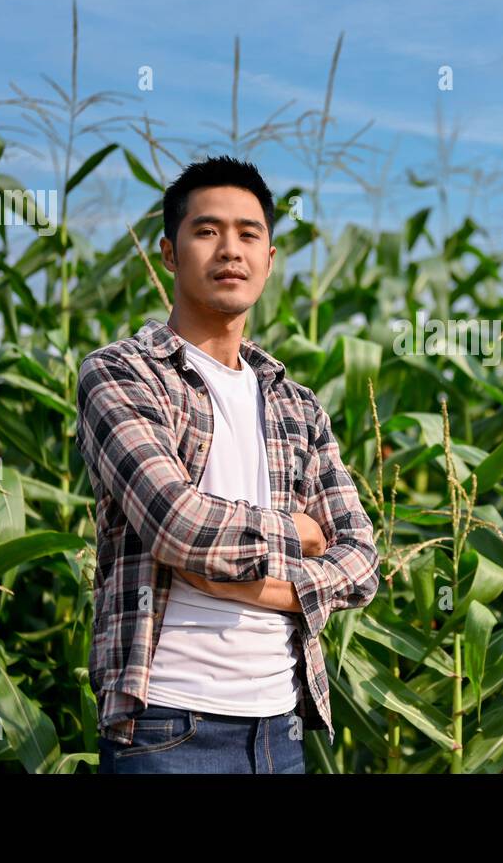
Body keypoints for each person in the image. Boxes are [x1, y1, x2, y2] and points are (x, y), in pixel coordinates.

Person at [75, 155, 380, 773]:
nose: (230, 251)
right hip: (165, 724)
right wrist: (296, 531)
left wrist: (242, 583)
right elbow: (176, 524)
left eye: (249, 233)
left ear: (269, 258)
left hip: (282, 727)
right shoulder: (121, 375)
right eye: (206, 231)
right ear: (169, 252)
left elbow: (362, 558)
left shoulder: (296, 403)